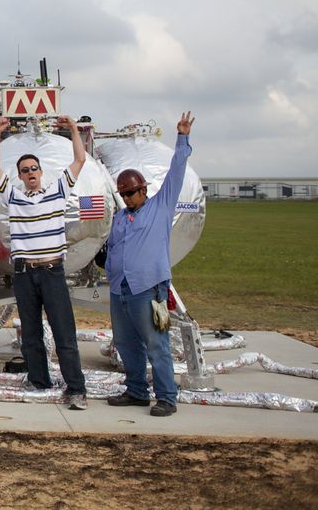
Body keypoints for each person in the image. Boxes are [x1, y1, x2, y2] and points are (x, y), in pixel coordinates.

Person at [0, 115, 88, 409]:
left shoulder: (59, 191)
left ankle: (76, 389)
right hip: (24, 273)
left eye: (34, 168)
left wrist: (72, 130)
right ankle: (39, 380)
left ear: (41, 171)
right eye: (24, 170)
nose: (30, 173)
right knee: (30, 333)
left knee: (63, 332)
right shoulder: (14, 198)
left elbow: (80, 160)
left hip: (51, 271)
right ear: (19, 176)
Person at [105, 112, 195, 417]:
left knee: (156, 344)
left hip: (148, 288)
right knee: (127, 343)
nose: (128, 197)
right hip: (120, 289)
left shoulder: (160, 206)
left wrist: (182, 138)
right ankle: (136, 391)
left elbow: (176, 172)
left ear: (143, 189)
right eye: (124, 194)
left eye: (131, 192)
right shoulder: (119, 217)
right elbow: (115, 248)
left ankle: (167, 397)